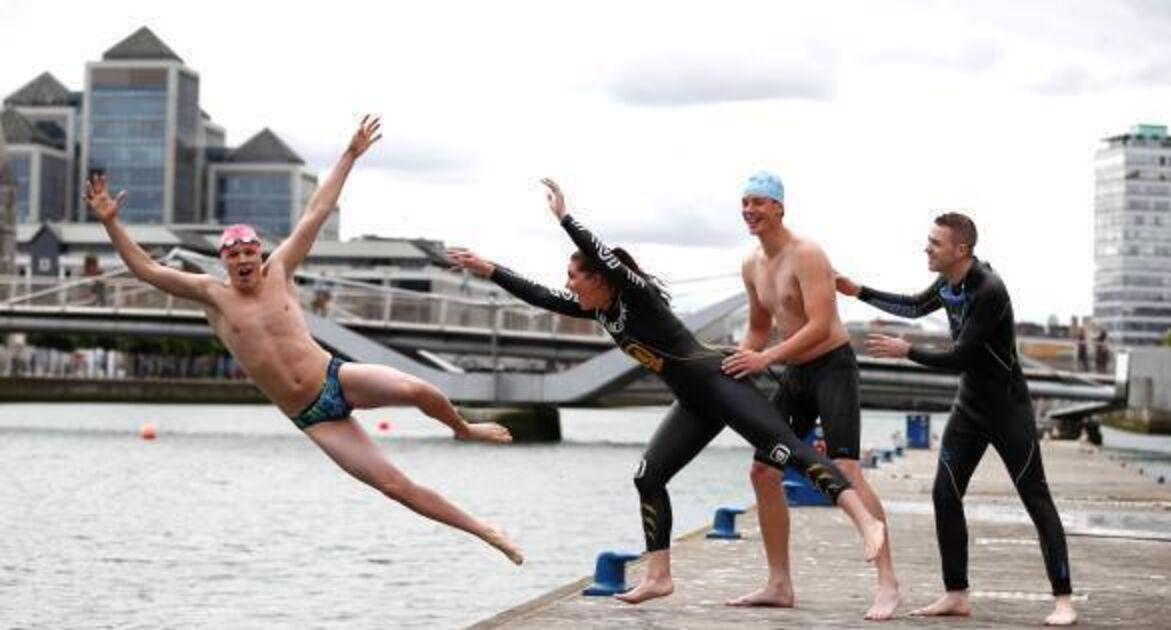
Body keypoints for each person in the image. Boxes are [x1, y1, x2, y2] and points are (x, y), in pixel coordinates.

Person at [83, 116, 523, 566]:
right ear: (224, 262)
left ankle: (462, 428)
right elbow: (148, 270)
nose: (243, 260)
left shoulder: (279, 269)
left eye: (249, 252)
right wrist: (112, 224)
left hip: (337, 378)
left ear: (258, 253)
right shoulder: (212, 296)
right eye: (233, 256)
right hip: (314, 418)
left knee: (415, 388)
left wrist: (349, 155)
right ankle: (486, 531)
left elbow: (317, 210)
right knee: (393, 486)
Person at [449, 178, 885, 605]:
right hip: (693, 401)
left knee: (789, 451)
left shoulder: (636, 296)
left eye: (573, 276)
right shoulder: (602, 311)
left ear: (599, 277)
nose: (568, 285)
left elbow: (606, 258)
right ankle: (659, 577)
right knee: (648, 476)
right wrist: (489, 269)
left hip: (719, 383)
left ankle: (866, 523)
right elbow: (539, 296)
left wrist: (565, 218)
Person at [836, 212, 1076, 626]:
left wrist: (908, 351)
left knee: (1036, 499)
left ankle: (1064, 600)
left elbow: (961, 356)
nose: (926, 248)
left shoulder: (988, 290)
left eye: (935, 243)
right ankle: (956, 593)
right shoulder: (950, 282)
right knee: (945, 495)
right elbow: (914, 306)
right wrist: (858, 291)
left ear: (960, 249)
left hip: (1007, 410)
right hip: (969, 408)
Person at [720, 171, 900, 619]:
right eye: (745, 202)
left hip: (832, 366)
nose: (749, 210)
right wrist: (735, 362)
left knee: (846, 471)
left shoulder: (808, 254)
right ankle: (779, 584)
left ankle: (887, 582)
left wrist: (765, 359)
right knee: (763, 471)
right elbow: (759, 328)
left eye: (759, 202)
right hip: (795, 375)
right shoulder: (751, 265)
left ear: (779, 206)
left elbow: (820, 325)